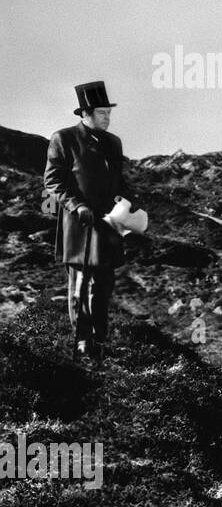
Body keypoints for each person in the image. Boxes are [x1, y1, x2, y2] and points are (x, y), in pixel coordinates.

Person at [44, 81, 142, 361]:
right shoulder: (64, 139)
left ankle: (100, 339)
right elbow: (53, 181)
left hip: (109, 224)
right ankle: (83, 342)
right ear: (85, 114)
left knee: (104, 284)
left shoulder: (113, 143)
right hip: (81, 225)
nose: (107, 118)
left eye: (109, 113)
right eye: (102, 113)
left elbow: (118, 180)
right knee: (80, 284)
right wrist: (76, 205)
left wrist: (129, 201)